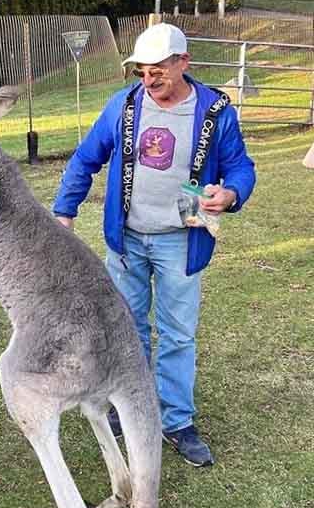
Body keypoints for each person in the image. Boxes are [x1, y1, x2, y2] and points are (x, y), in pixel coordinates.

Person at [53, 23, 256, 468]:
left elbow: (241, 165)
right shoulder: (124, 105)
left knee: (178, 334)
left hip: (183, 240)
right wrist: (64, 210)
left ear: (184, 63)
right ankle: (133, 407)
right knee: (128, 330)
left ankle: (177, 421)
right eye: (143, 71)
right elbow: (87, 158)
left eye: (159, 69)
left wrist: (232, 193)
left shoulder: (215, 111)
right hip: (127, 240)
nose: (149, 80)